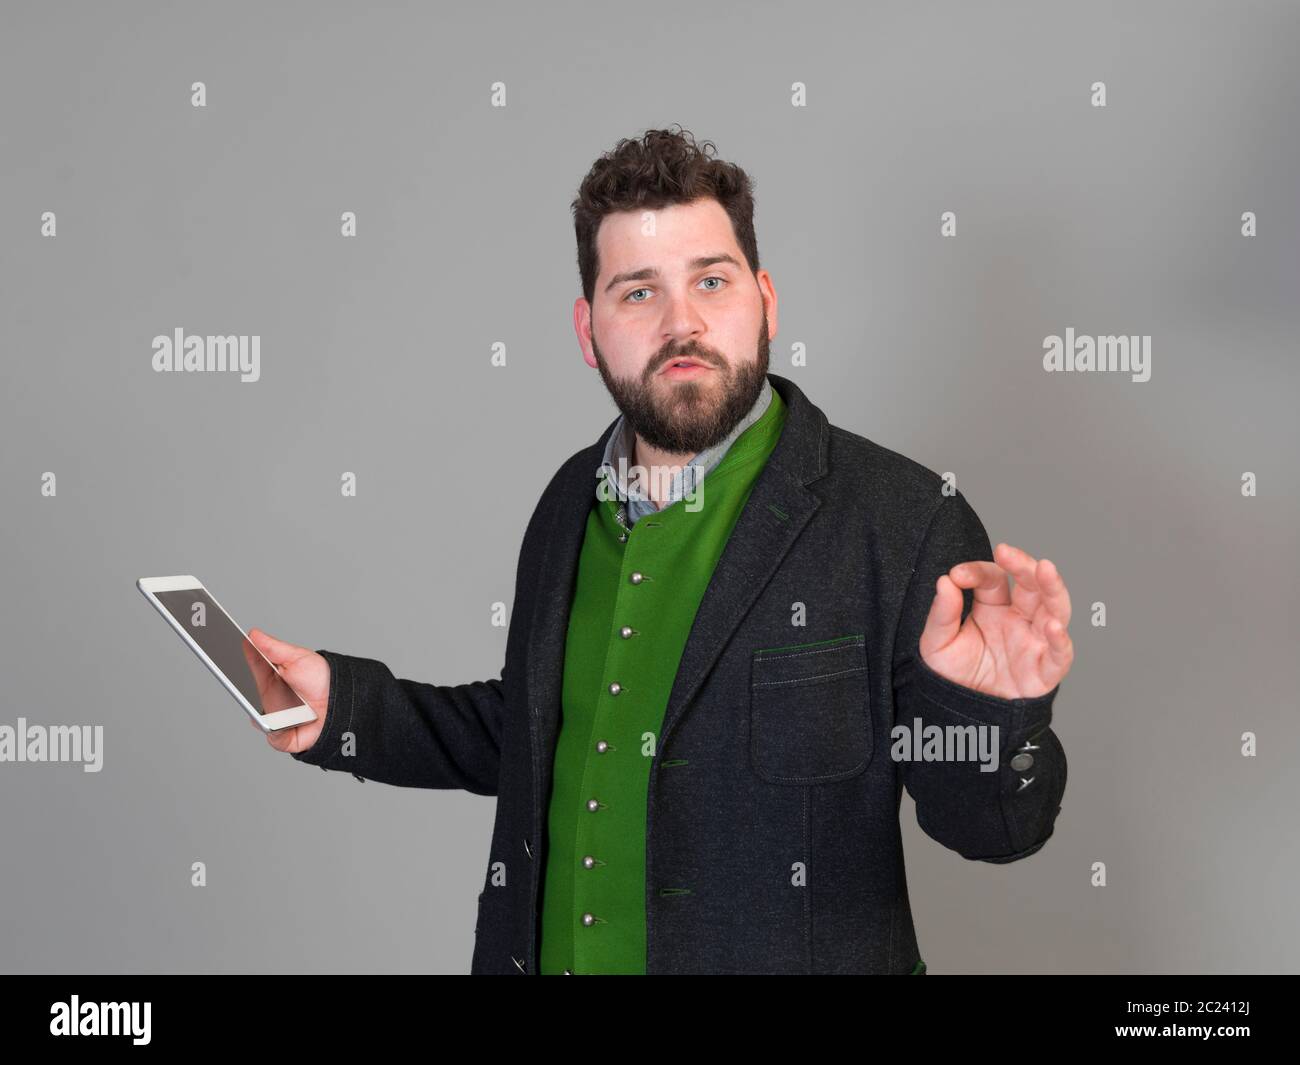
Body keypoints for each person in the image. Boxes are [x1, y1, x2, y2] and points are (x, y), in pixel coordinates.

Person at [250, 126, 1074, 975]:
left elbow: (999, 831)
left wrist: (994, 716)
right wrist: (342, 711)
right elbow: (543, 730)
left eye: (710, 282)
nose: (683, 323)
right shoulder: (571, 500)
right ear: (588, 329)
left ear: (765, 300)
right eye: (638, 293)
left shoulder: (902, 521)